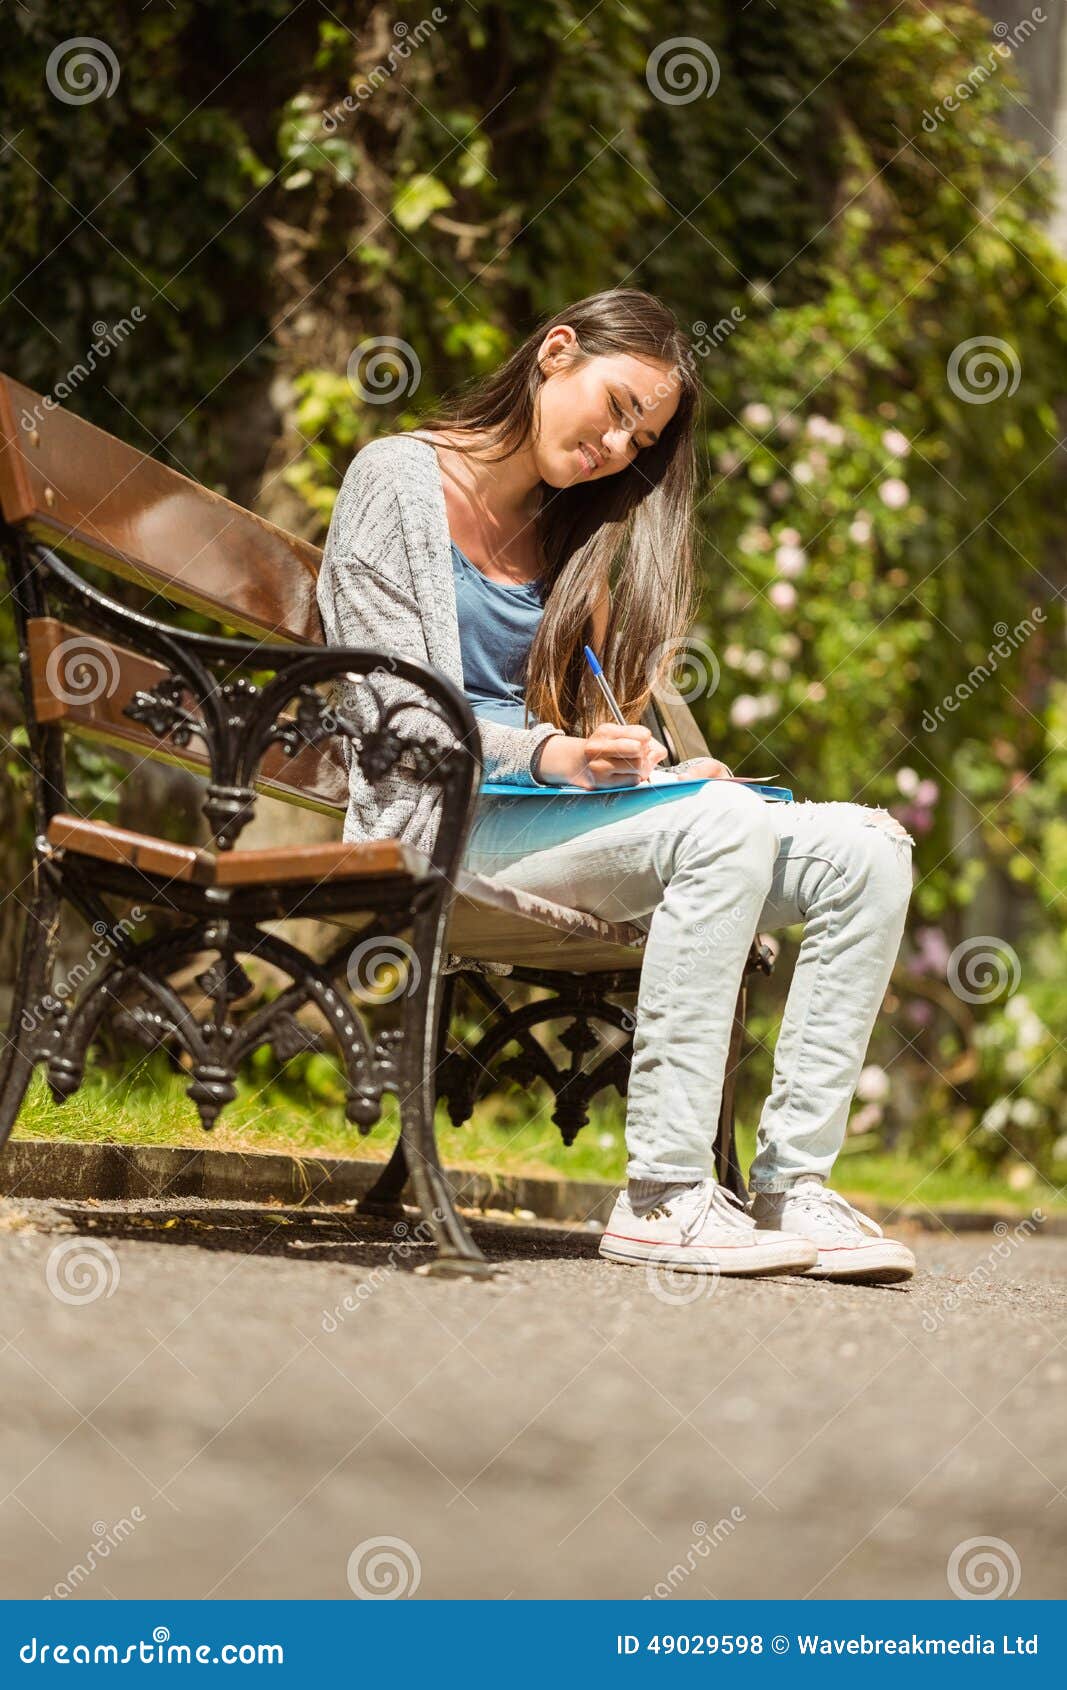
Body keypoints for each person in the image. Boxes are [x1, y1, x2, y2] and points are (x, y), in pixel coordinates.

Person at [317, 287, 916, 1284]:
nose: (616, 446)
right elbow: (383, 712)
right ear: (556, 353)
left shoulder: (570, 542)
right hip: (437, 820)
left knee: (867, 852)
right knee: (718, 825)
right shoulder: (395, 481)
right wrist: (550, 757)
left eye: (640, 437)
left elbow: (593, 723)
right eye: (616, 407)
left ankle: (789, 1186)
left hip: (550, 825)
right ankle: (663, 1194)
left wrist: (661, 772)